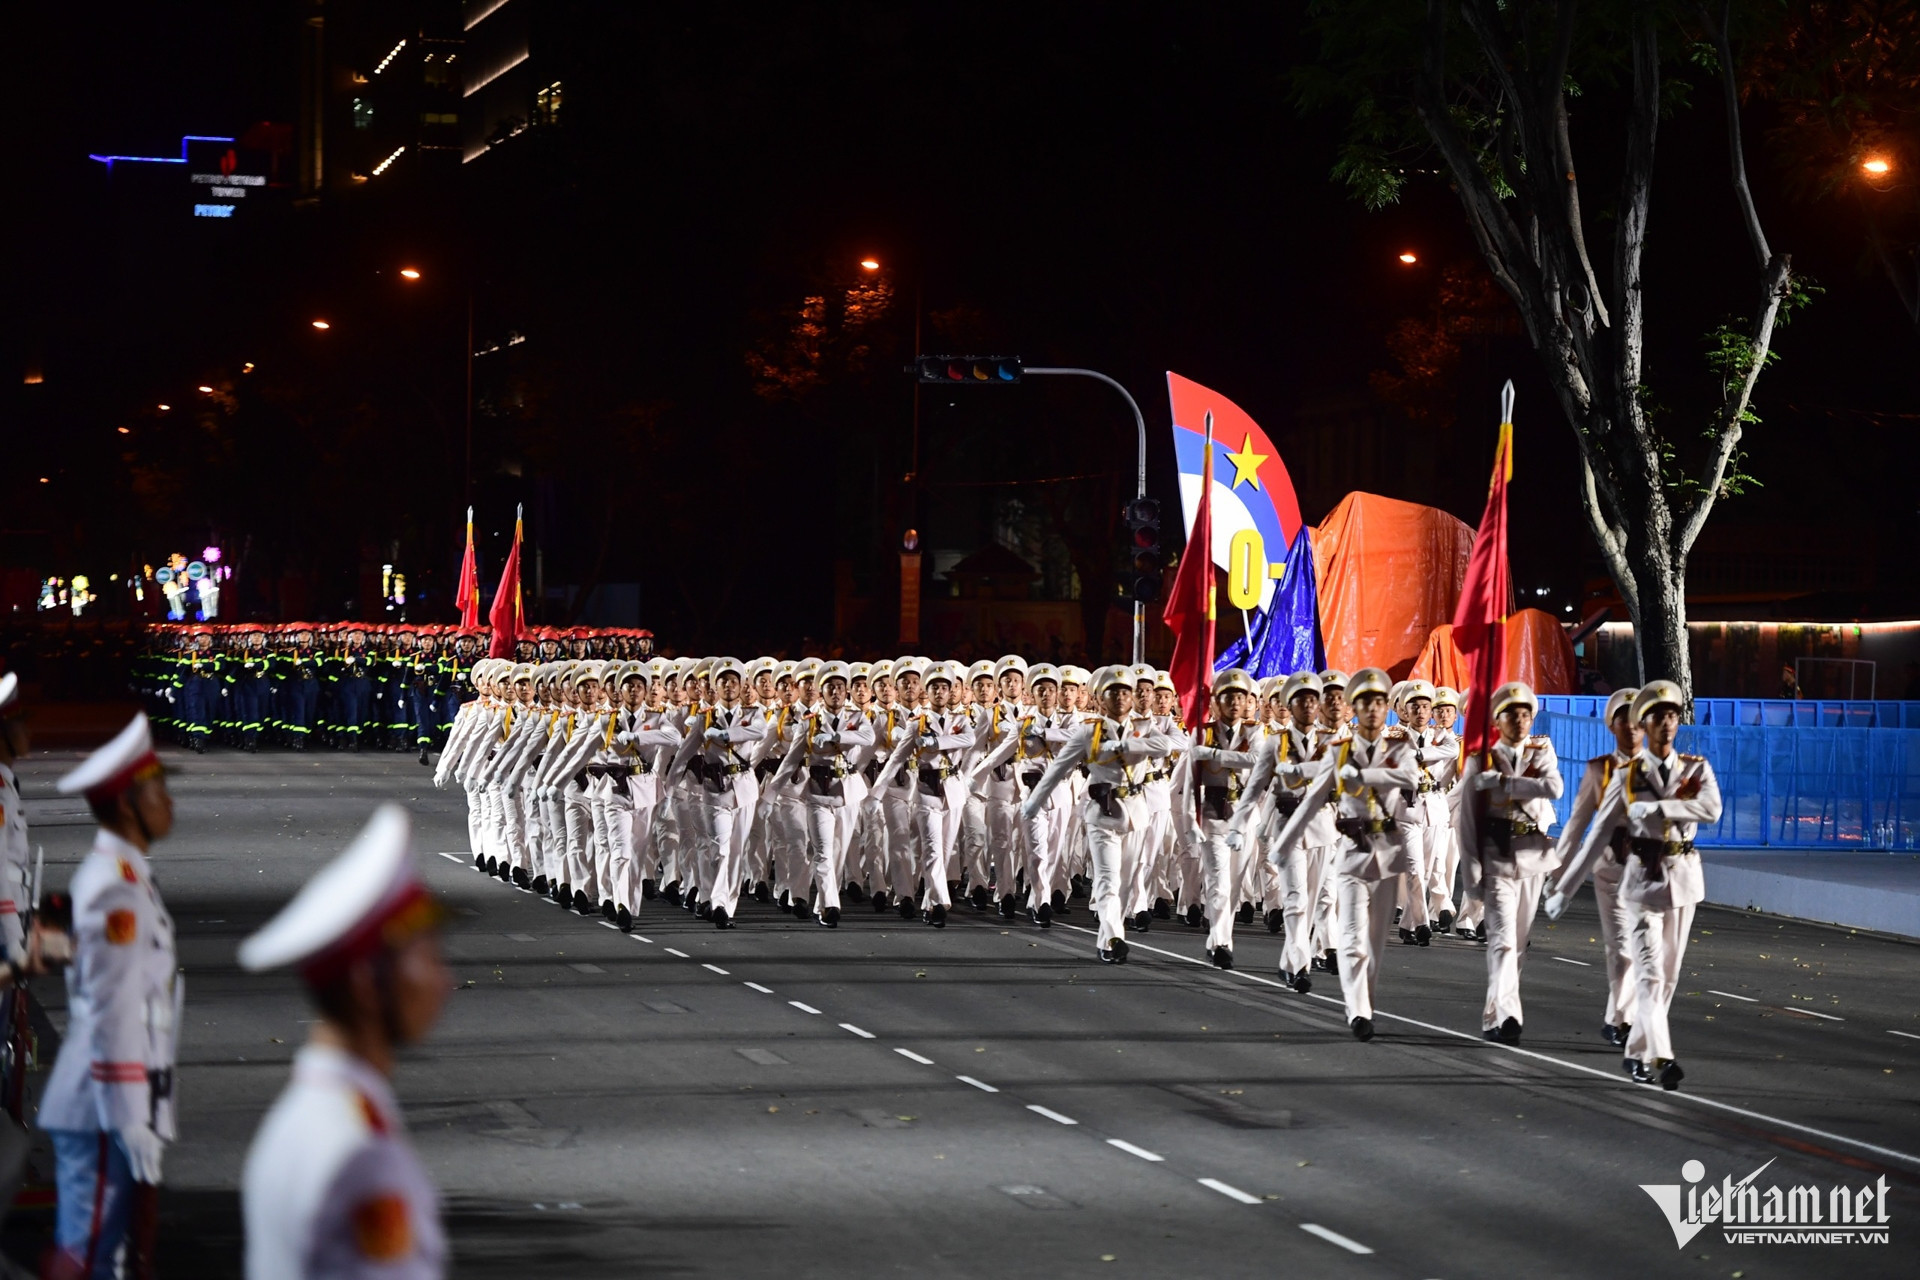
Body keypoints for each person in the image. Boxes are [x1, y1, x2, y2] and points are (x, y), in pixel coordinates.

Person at [238, 804, 450, 1279]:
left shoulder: (308, 1113)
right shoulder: (361, 1155)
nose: (445, 982)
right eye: (427, 958)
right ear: (365, 983)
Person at [41, 714, 181, 1280]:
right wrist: (129, 1117)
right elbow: (111, 1007)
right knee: (88, 1256)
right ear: (127, 804)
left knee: (101, 1253)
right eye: (158, 790)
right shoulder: (115, 886)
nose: (168, 803)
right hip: (103, 1103)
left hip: (110, 1092)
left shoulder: (124, 874)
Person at [1547, 680, 1720, 1090]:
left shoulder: (1695, 768)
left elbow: (1711, 809)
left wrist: (1659, 806)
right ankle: (1661, 1056)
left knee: (1670, 975)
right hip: (1638, 881)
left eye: (1672, 716)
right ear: (1645, 722)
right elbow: (1591, 836)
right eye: (1657, 717)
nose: (1665, 724)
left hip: (1683, 880)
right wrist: (1562, 887)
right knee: (1647, 974)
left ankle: (1636, 1052)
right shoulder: (1623, 776)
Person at [1270, 667, 1416, 1041]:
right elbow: (1312, 801)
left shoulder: (1400, 748)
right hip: (1351, 852)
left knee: (1374, 943)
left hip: (1386, 854)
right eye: (1365, 703)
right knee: (1350, 934)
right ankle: (1358, 1011)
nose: (1372, 710)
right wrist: (1283, 845)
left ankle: (1363, 998)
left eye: (1379, 703)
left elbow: (1409, 780)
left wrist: (1363, 777)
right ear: (1355, 707)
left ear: (1386, 709)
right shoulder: (1339, 753)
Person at [1020, 668, 1178, 963]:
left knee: (1128, 881)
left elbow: (1166, 745)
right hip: (1101, 814)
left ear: (1131, 699)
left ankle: (1109, 937)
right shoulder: (1088, 731)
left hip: (1135, 814)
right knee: (1107, 880)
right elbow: (1057, 769)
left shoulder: (1143, 728)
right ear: (1100, 700)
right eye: (1112, 693)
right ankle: (1114, 938)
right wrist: (1032, 804)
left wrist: (1124, 745)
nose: (1120, 698)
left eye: (1124, 692)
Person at [1455, 681, 1564, 1045]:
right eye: (1511, 715)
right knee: (1500, 940)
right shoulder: (1478, 760)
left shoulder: (1540, 751)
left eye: (1525, 714)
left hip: (1532, 857)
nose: (1520, 721)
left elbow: (1554, 788)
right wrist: (1471, 873)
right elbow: (1467, 821)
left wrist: (1505, 782)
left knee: (1517, 943)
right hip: (1496, 856)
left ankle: (1492, 1014)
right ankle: (1509, 1015)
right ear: (1497, 721)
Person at [1543, 687, 1641, 1048]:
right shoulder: (1600, 769)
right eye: (1622, 721)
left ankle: (1623, 1016)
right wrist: (1558, 875)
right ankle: (1621, 1019)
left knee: (1648, 953)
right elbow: (1577, 823)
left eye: (1636, 721)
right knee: (1621, 947)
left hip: (1652, 871)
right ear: (1611, 726)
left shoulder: (1663, 766)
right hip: (1612, 868)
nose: (1630, 728)